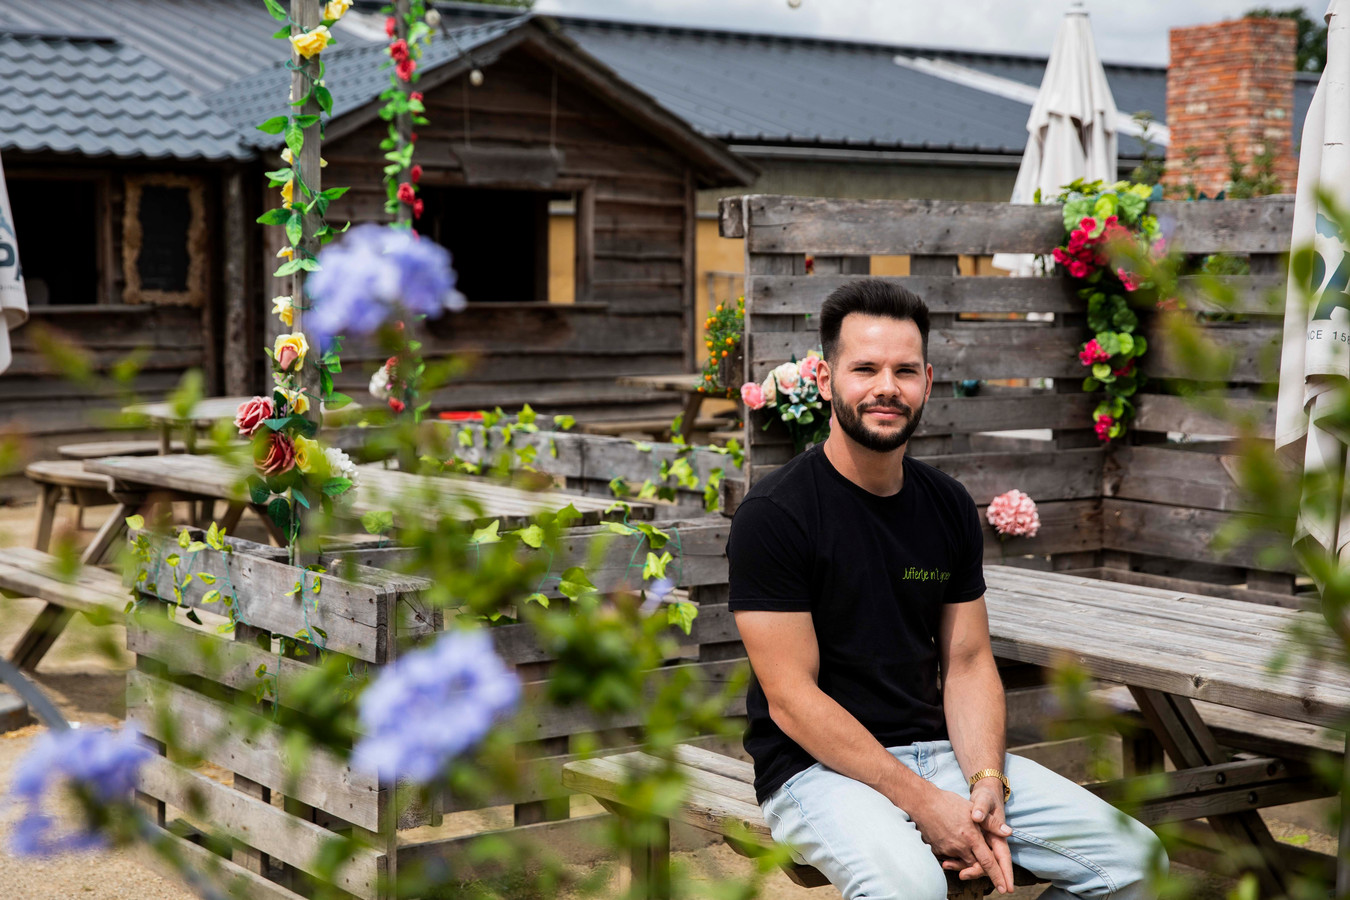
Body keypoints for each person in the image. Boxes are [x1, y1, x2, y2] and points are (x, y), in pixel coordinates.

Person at [726, 280, 1165, 900]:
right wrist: (927, 804)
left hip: (941, 755)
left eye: (904, 370)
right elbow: (792, 700)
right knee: (912, 889)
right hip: (814, 770)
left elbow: (966, 661)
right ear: (825, 380)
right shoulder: (776, 514)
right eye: (865, 368)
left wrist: (986, 779)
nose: (887, 387)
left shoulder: (947, 505)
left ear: (927, 383)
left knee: (1137, 858)